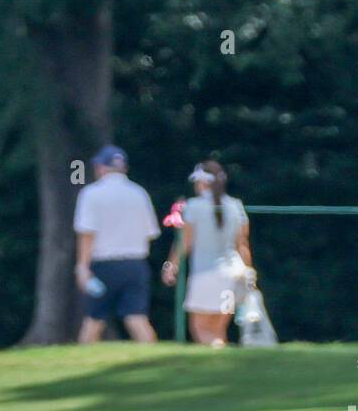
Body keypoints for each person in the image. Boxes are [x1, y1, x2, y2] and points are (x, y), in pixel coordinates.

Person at [73, 145, 161, 343]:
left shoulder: (91, 194)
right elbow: (150, 232)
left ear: (100, 167)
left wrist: (82, 267)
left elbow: (87, 233)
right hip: (135, 264)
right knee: (136, 317)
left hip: (104, 265)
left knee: (94, 319)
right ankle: (152, 358)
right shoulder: (139, 193)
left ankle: (83, 363)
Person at [162, 161, 254, 347]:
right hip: (233, 275)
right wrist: (250, 272)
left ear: (201, 183)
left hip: (205, 276)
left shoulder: (194, 207)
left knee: (202, 329)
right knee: (218, 331)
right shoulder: (235, 206)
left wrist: (171, 265)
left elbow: (185, 243)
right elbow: (242, 244)